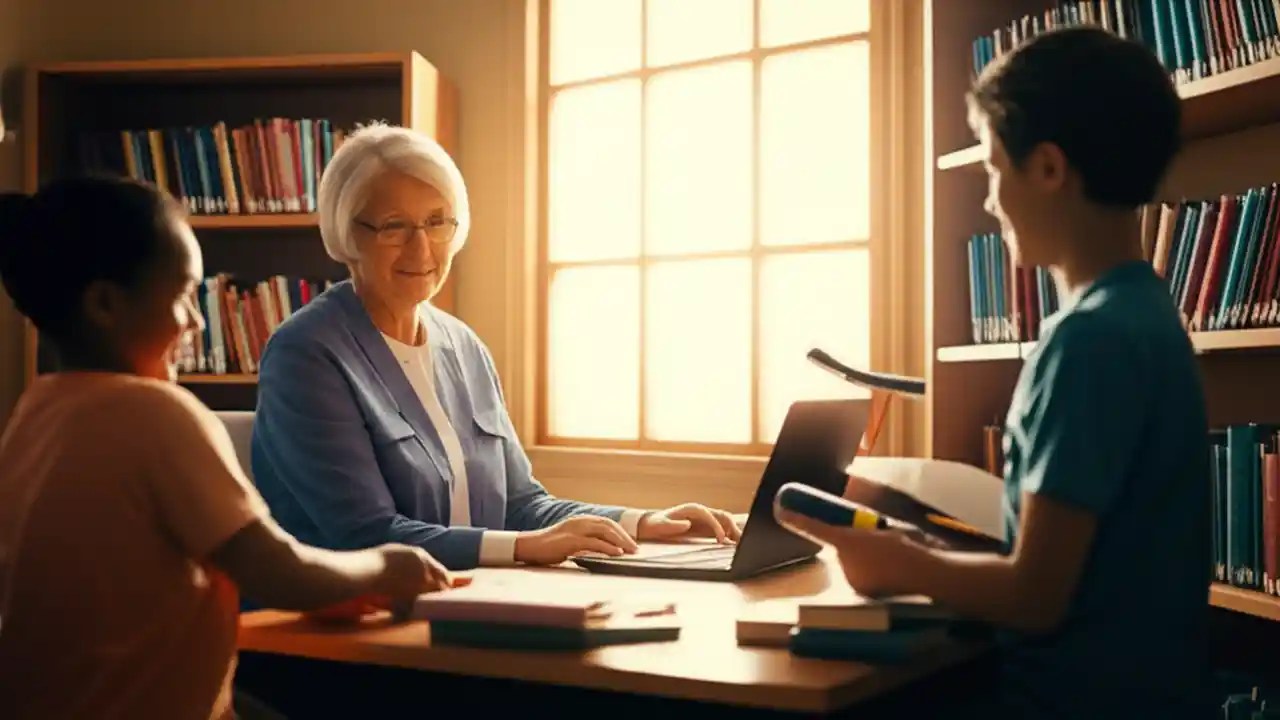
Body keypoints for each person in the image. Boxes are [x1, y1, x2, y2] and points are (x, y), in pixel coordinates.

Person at [777, 27, 1211, 719]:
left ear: (1046, 169)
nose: (988, 199)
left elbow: (1036, 598)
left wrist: (898, 564)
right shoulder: (1146, 312)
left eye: (991, 167)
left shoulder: (1088, 340)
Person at [0, 176, 454, 720]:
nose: (195, 322)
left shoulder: (33, 415)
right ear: (104, 305)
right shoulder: (157, 415)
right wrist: (386, 566)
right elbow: (276, 569)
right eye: (184, 296)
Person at [251, 124, 743, 571]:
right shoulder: (305, 355)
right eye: (394, 226)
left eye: (438, 222)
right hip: (348, 630)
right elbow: (365, 534)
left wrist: (646, 523)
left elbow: (522, 505)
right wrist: (525, 547)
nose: (422, 249)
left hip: (471, 601)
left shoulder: (463, 346)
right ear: (345, 233)